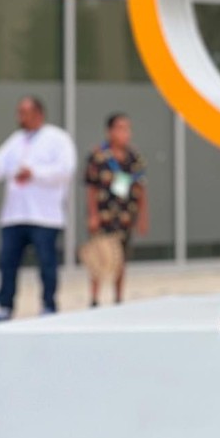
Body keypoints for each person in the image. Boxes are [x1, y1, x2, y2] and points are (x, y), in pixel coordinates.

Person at [0, 97, 77, 320]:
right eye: (19, 112)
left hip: (44, 215)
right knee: (7, 263)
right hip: (15, 214)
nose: (20, 117)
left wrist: (34, 173)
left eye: (25, 112)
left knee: (46, 262)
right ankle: (4, 305)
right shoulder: (16, 140)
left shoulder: (58, 138)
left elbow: (66, 169)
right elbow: (0, 164)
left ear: (39, 114)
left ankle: (48, 305)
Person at [84, 113, 149, 306]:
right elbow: (91, 187)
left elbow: (141, 188)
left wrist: (143, 217)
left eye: (127, 128)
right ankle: (94, 298)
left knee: (121, 257)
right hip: (104, 215)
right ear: (110, 131)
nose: (125, 133)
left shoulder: (134, 157)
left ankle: (118, 298)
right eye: (120, 128)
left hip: (126, 216)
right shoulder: (98, 156)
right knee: (99, 255)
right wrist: (93, 215)